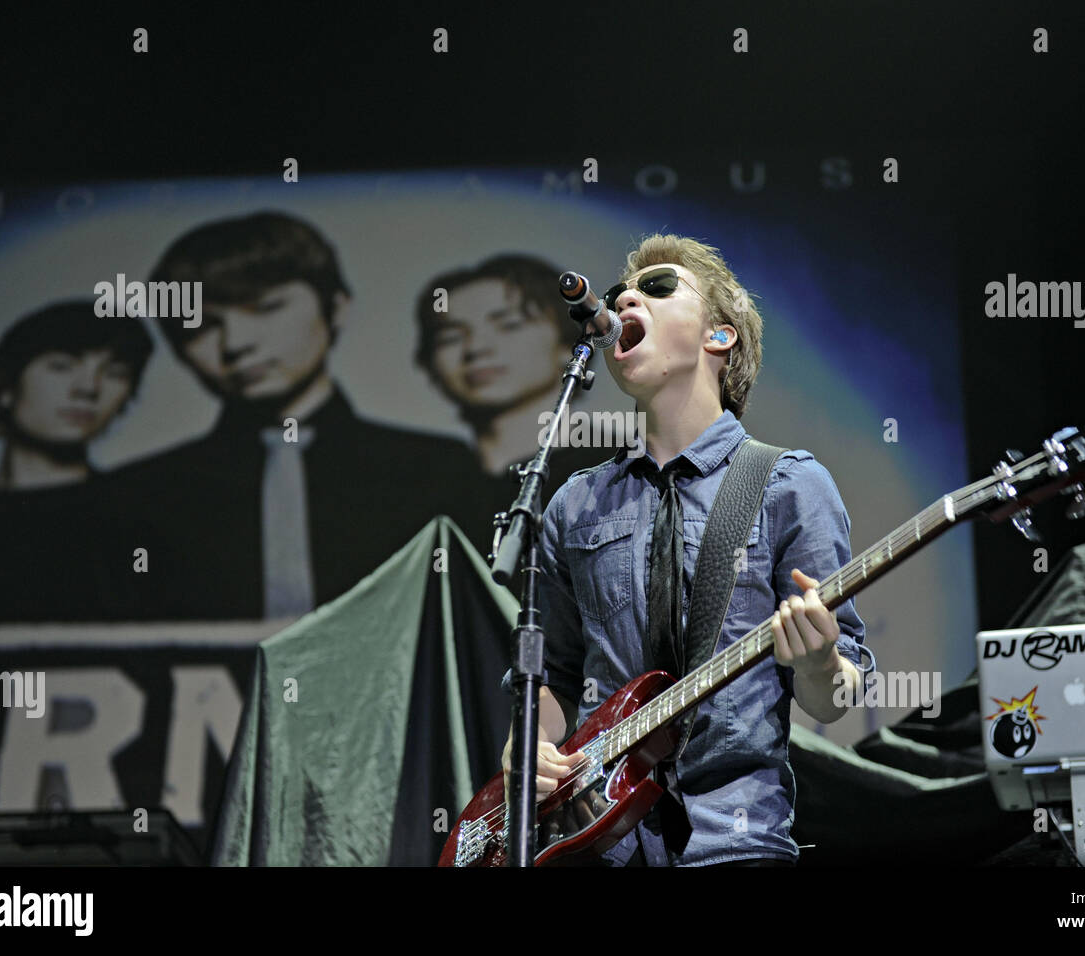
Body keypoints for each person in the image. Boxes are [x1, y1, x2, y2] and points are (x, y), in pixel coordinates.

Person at [500, 234, 867, 866]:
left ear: (719, 338)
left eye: (659, 288)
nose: (625, 299)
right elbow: (555, 674)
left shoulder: (789, 485)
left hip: (738, 841)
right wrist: (526, 747)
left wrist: (817, 661)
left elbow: (833, 699)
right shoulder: (574, 504)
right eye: (619, 296)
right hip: (598, 847)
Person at [108, 210, 480, 620]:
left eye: (266, 308)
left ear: (336, 308)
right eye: (200, 326)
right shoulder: (137, 497)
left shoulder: (441, 472)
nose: (235, 343)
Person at [0, 300, 153, 623]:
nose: (88, 388)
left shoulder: (140, 524)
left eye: (115, 372)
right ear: (6, 389)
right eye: (61, 366)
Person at [414, 254, 612, 559]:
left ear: (567, 344)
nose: (476, 349)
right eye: (451, 336)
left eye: (509, 325)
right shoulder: (418, 480)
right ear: (429, 365)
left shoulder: (616, 463)